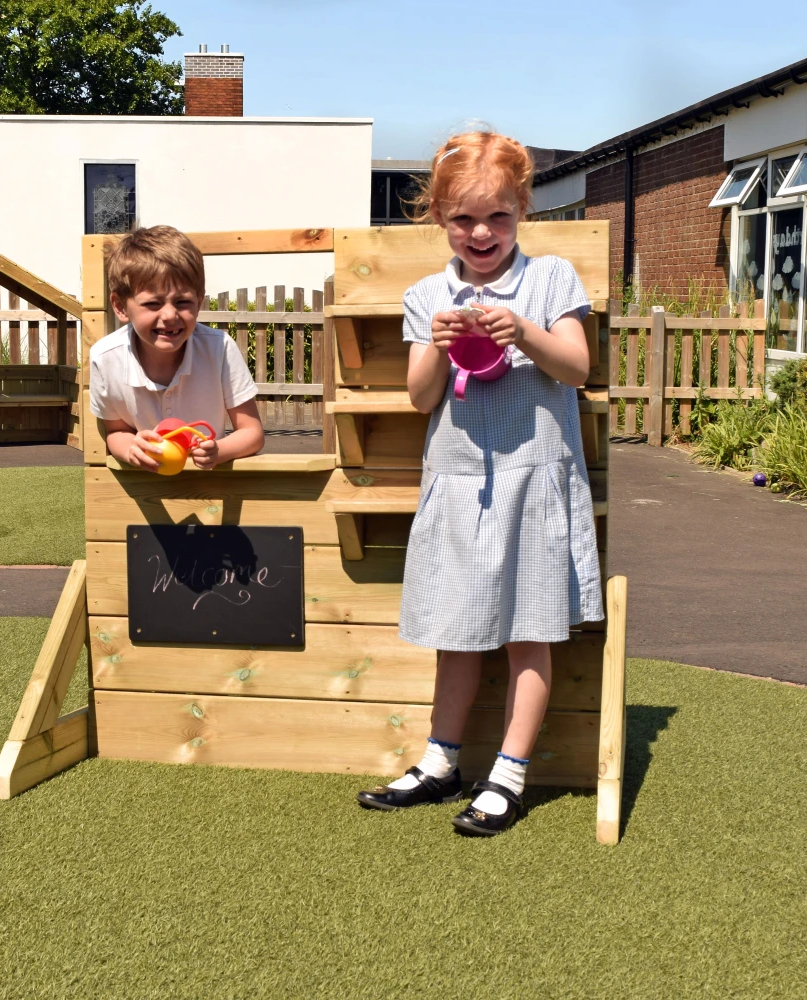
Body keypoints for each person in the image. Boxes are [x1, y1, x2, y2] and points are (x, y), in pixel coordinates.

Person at [356, 131, 603, 835]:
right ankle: (441, 762)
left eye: (498, 215)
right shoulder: (426, 294)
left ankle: (510, 775)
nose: (482, 233)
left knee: (531, 633)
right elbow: (420, 398)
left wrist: (521, 330)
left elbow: (577, 368)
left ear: (523, 206)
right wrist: (438, 345)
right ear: (439, 216)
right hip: (460, 482)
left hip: (534, 482)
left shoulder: (551, 278)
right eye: (464, 218)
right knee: (457, 633)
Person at [89, 225, 264, 470]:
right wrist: (131, 449)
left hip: (209, 484)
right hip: (143, 484)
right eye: (153, 303)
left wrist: (219, 451)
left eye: (182, 302)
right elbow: (116, 431)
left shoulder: (220, 349)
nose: (170, 315)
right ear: (120, 306)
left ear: (199, 302)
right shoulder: (105, 358)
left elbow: (252, 432)